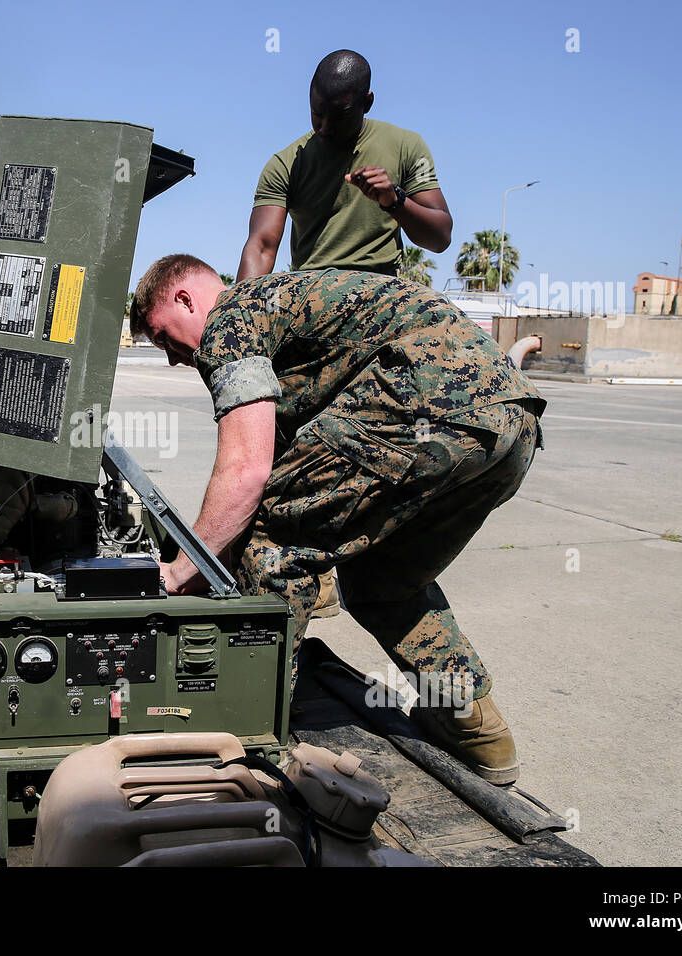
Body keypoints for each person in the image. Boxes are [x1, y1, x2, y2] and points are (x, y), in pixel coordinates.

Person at [128, 254, 546, 785]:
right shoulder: (289, 312)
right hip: (510, 426)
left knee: (272, 545)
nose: (170, 358)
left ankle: (255, 728)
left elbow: (246, 471)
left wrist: (178, 573)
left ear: (185, 298)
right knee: (384, 579)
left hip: (423, 405)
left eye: (164, 337)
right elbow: (279, 469)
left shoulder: (233, 315)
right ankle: (474, 727)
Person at [237, 49, 452, 282]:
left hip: (380, 292)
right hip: (311, 293)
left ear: (367, 102)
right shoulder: (286, 164)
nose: (325, 127)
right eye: (317, 113)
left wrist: (394, 201)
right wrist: (237, 311)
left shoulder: (406, 146)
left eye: (339, 116)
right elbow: (261, 246)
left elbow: (440, 238)